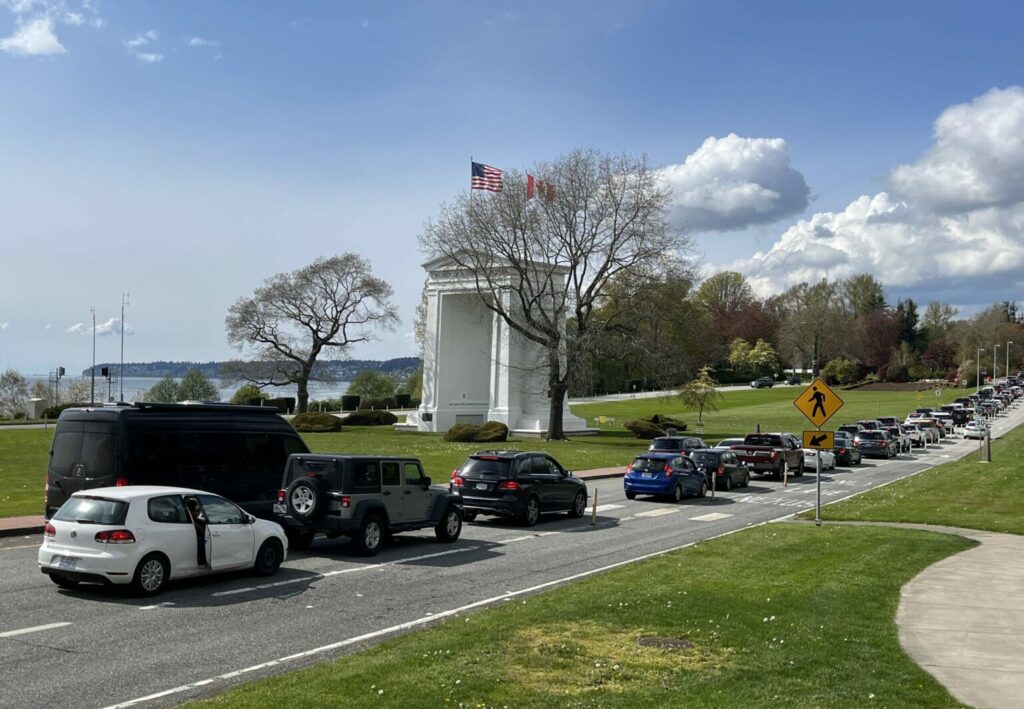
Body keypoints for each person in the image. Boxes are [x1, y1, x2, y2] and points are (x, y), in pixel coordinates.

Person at [185, 497, 209, 567]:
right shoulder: (193, 516)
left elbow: (203, 523)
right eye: (197, 509)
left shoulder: (198, 515)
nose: (199, 511)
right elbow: (202, 531)